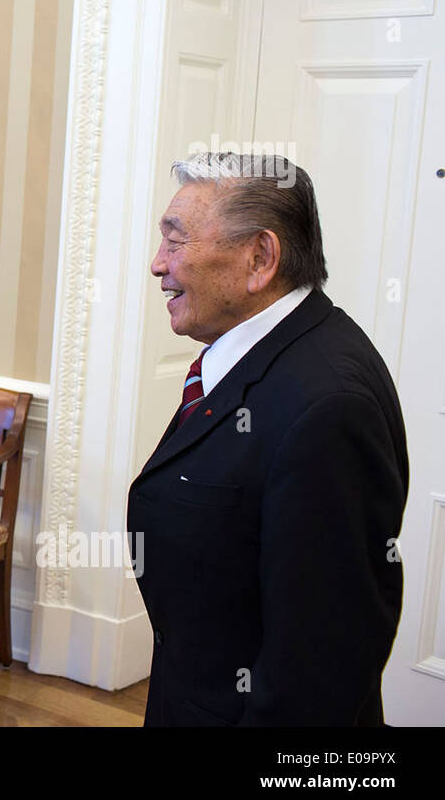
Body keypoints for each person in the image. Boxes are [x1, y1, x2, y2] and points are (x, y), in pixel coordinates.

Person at [130, 152, 408, 725]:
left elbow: (319, 668)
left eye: (176, 242)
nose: (158, 264)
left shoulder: (328, 407)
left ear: (259, 258)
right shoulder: (249, 355)